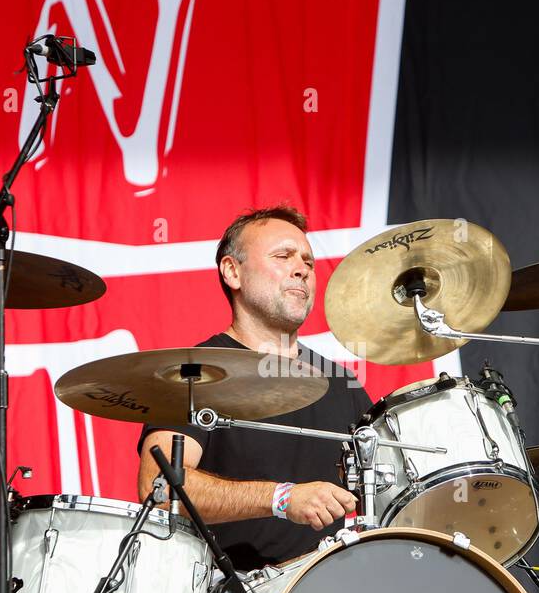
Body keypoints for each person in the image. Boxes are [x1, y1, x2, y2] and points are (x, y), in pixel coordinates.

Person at [137, 205, 372, 572]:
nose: (302, 269)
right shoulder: (194, 372)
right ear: (232, 272)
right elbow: (159, 487)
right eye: (283, 256)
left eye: (308, 262)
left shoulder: (343, 384)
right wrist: (281, 498)